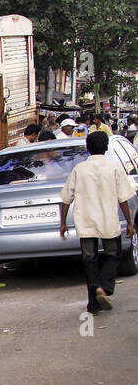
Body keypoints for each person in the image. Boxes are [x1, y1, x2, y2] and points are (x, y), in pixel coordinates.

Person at [58, 131, 136, 314]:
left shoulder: (79, 169)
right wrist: (130, 224)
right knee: (113, 255)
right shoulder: (114, 168)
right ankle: (104, 287)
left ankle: (93, 304)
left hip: (85, 223)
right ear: (106, 147)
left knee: (89, 260)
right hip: (108, 221)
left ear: (88, 148)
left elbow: (66, 199)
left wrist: (63, 223)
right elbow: (123, 198)